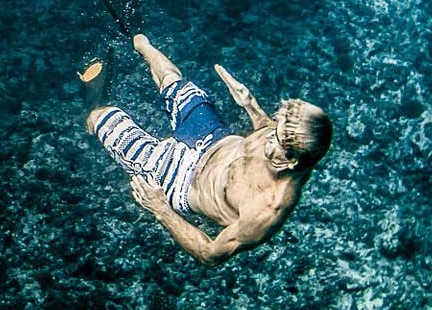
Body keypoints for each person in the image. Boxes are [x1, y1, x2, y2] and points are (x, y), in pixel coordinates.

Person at [80, 31, 332, 265]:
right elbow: (269, 131)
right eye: (275, 130)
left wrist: (161, 209)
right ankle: (138, 38)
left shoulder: (266, 210)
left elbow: (210, 255)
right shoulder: (283, 140)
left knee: (105, 119)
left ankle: (94, 110)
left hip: (179, 179)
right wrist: (250, 105)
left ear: (291, 161)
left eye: (278, 143)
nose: (268, 138)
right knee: (172, 81)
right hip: (212, 137)